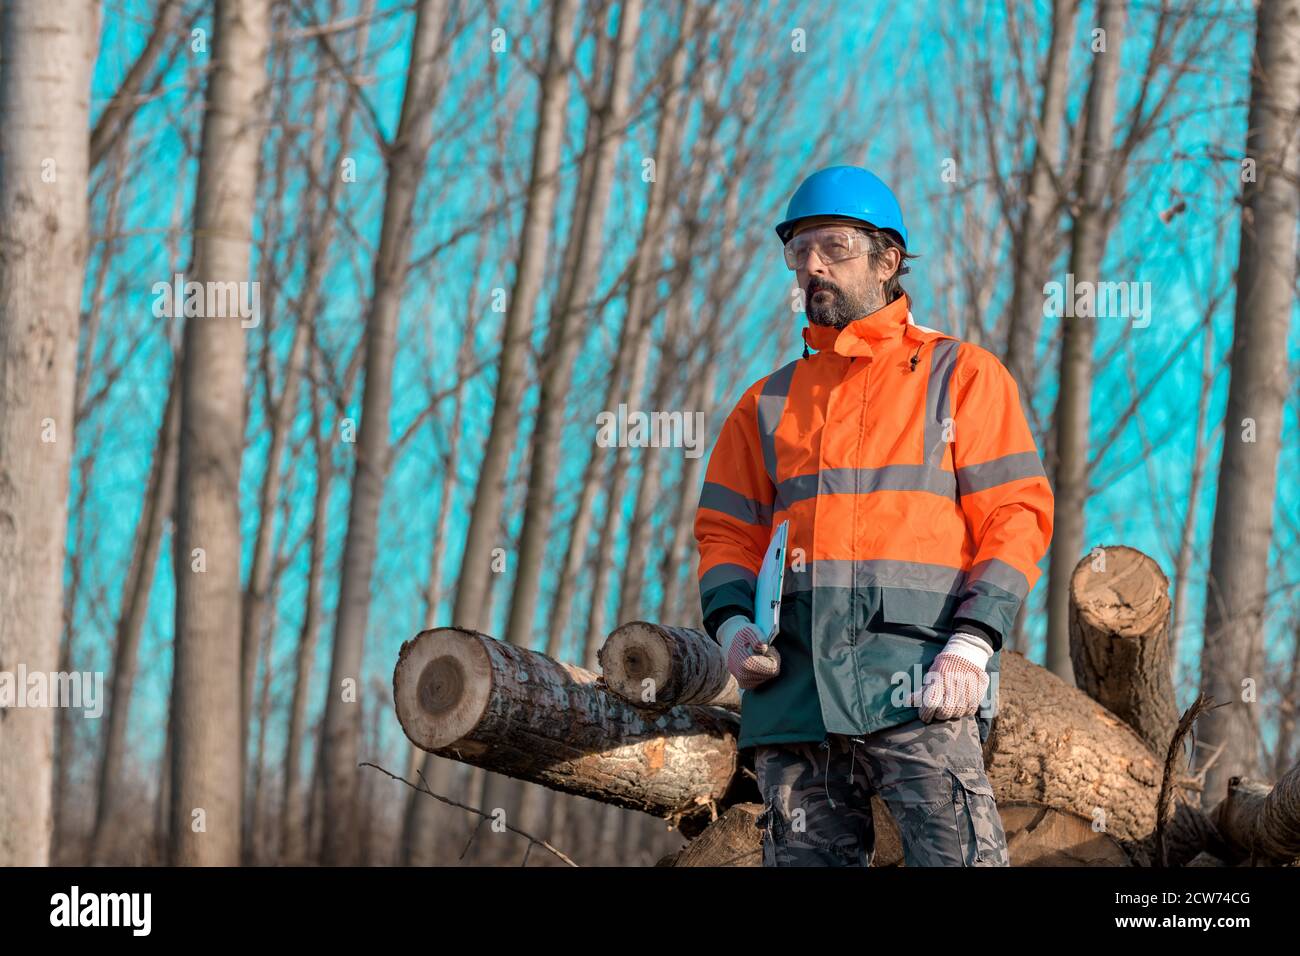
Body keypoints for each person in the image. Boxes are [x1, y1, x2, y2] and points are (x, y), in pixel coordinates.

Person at [693, 165, 1054, 866]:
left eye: (834, 247)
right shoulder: (765, 403)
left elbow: (1015, 514)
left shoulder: (962, 375)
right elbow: (725, 533)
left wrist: (973, 645)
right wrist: (733, 624)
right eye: (800, 252)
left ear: (888, 260)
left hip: (920, 687)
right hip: (792, 698)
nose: (813, 267)